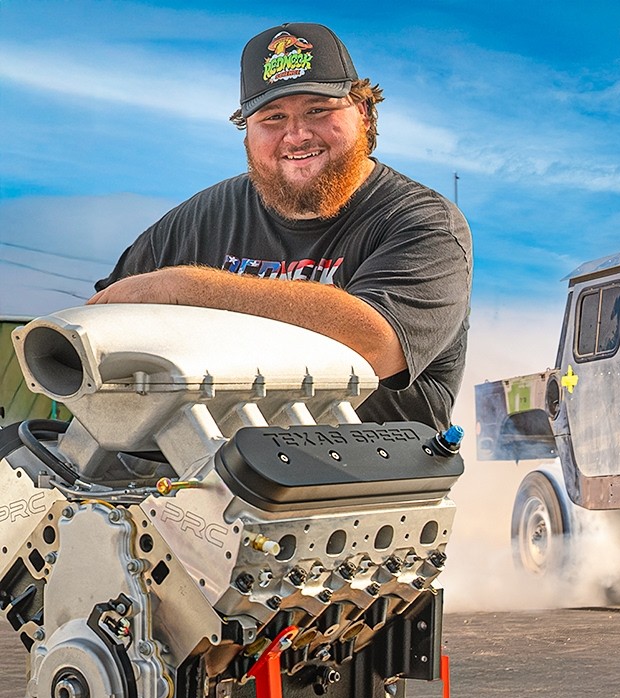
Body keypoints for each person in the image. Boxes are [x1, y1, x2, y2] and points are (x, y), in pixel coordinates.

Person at [90, 22, 471, 431]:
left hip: (367, 477)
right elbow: (100, 329)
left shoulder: (422, 221)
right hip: (207, 471)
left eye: (318, 110)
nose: (297, 135)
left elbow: (374, 346)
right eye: (273, 117)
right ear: (247, 133)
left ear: (362, 111)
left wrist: (185, 289)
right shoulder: (204, 215)